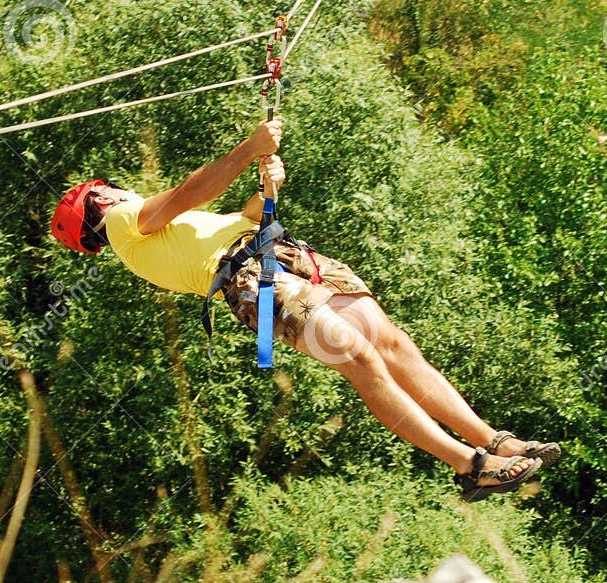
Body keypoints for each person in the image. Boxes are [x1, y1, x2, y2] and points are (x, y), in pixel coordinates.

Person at [49, 120, 558, 500]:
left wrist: (268, 184)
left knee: (394, 346)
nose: (118, 187)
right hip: (253, 281)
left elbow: (244, 217)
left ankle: (498, 442)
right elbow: (187, 193)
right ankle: (471, 464)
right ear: (97, 202)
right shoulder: (122, 222)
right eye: (106, 188)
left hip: (278, 255)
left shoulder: (159, 235)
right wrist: (248, 148)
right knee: (362, 360)